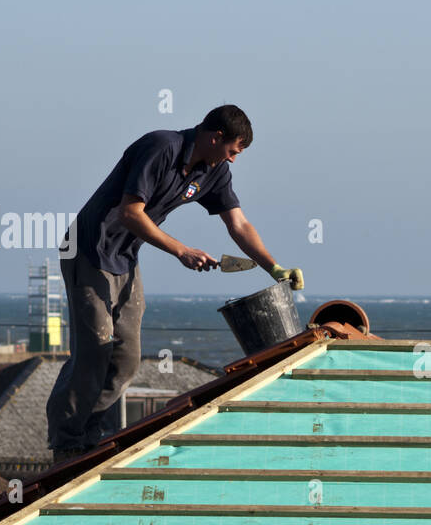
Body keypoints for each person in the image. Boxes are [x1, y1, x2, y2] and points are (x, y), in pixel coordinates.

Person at [46, 104, 303, 463]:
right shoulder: (160, 147)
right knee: (94, 349)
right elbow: (129, 213)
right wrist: (181, 251)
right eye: (232, 151)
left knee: (126, 358)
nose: (233, 160)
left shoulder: (215, 172)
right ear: (215, 137)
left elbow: (239, 225)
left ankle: (89, 433)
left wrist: (274, 269)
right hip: (89, 251)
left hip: (124, 258)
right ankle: (66, 442)